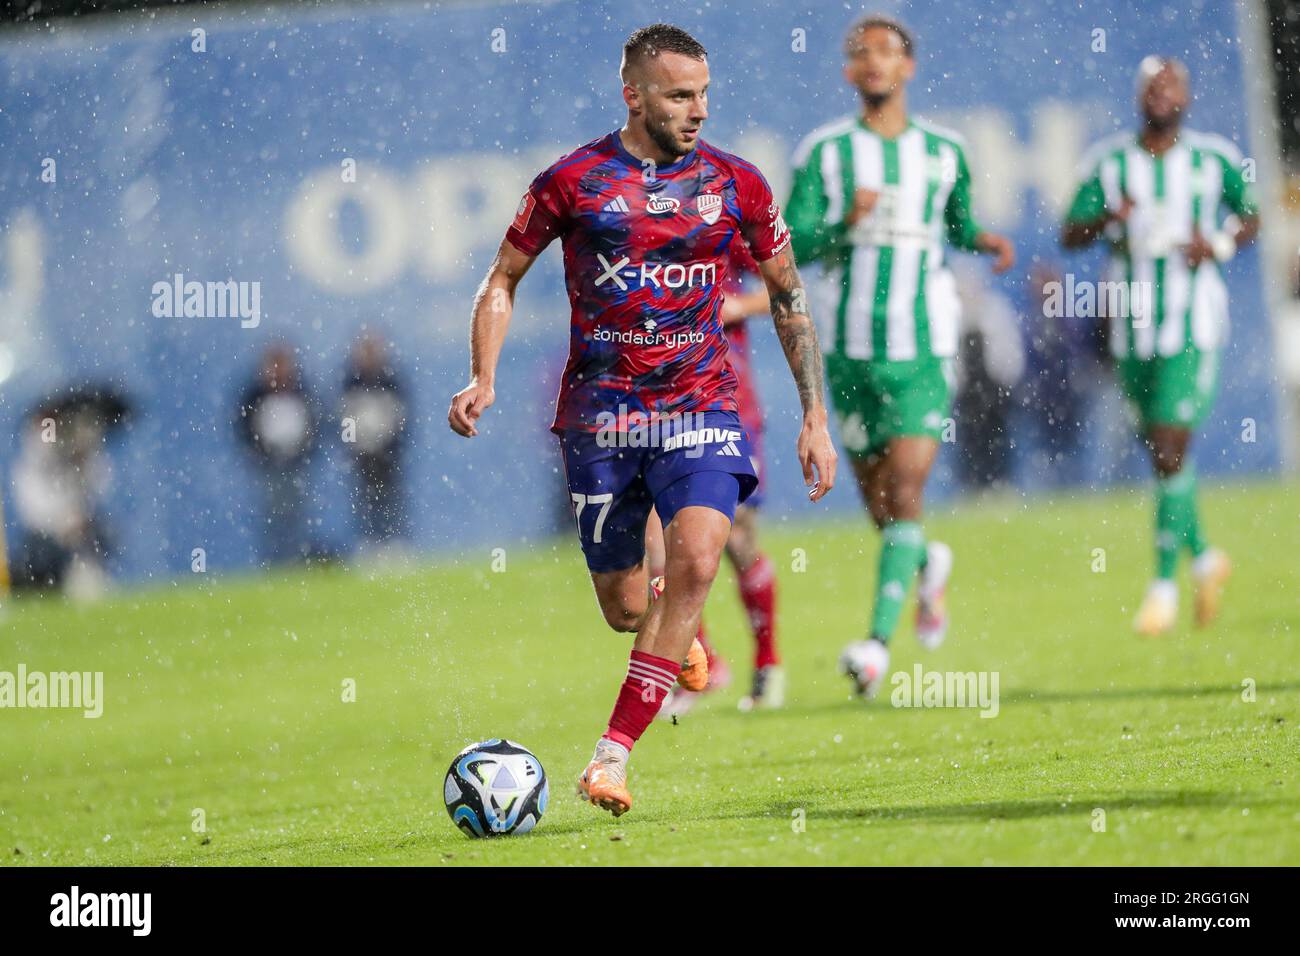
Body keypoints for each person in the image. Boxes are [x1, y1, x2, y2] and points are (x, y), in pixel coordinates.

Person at [448, 23, 837, 817]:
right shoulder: (574, 182)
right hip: (602, 419)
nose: (696, 110)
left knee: (699, 558)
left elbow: (790, 296)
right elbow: (502, 278)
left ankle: (610, 757)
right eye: (677, 95)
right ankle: (678, 639)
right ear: (634, 95)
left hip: (700, 405)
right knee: (629, 607)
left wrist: (814, 417)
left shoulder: (738, 184)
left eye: (703, 95)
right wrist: (482, 375)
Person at [784, 14, 1014, 697]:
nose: (875, 63)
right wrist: (842, 223)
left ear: (908, 67)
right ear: (849, 73)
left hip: (922, 348)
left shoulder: (945, 151)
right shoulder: (824, 153)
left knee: (907, 492)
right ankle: (926, 563)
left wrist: (986, 242)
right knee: (883, 508)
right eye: (862, 54)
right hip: (850, 353)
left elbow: (957, 223)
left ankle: (877, 646)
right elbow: (790, 243)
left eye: (887, 52)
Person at [1061, 56, 1259, 636]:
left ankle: (1163, 588)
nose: (1162, 95)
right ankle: (1204, 557)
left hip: (1191, 324)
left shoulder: (1212, 158)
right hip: (1131, 324)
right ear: (1139, 95)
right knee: (1163, 454)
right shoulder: (1109, 162)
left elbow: (1252, 216)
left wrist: (1218, 245)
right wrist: (1104, 218)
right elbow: (1069, 234)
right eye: (1152, 86)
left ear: (1187, 97)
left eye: (1171, 85)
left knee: (1171, 447)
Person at [238, 344, 315, 565]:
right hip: (269, 467)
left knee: (297, 516)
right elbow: (245, 428)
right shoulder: (256, 396)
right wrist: (261, 453)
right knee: (271, 518)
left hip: (295, 465)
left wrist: (300, 452)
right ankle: (275, 560)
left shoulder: (300, 393)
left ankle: (295, 560)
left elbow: (313, 426)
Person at [341, 332, 409, 548]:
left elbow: (401, 418)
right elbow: (344, 419)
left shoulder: (391, 382)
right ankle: (370, 542)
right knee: (365, 500)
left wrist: (387, 442)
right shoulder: (351, 383)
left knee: (390, 498)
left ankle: (393, 542)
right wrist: (357, 445)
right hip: (362, 455)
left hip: (387, 454)